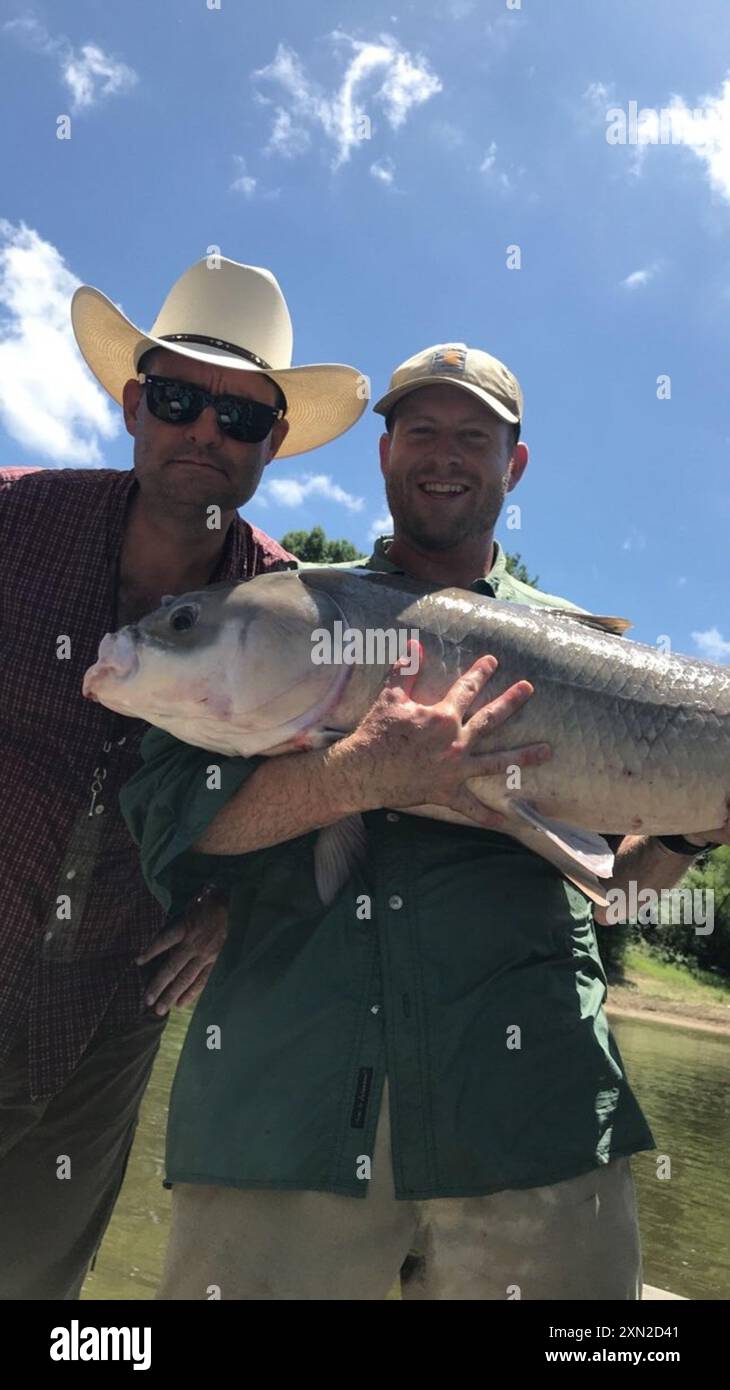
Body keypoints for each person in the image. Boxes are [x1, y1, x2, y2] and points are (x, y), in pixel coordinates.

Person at [121, 341, 728, 1301]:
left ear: (512, 466)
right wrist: (356, 774)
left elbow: (618, 889)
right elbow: (178, 825)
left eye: (472, 437)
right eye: (421, 432)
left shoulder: (577, 635)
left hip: (536, 1134)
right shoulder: (286, 606)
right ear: (385, 454)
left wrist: (693, 831)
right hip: (285, 1133)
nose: (444, 455)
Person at [0, 253, 367, 1300]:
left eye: (242, 417)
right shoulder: (13, 519)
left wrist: (226, 907)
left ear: (273, 444)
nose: (207, 431)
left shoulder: (299, 609)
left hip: (106, 1016)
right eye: (178, 397)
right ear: (133, 404)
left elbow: (327, 789)